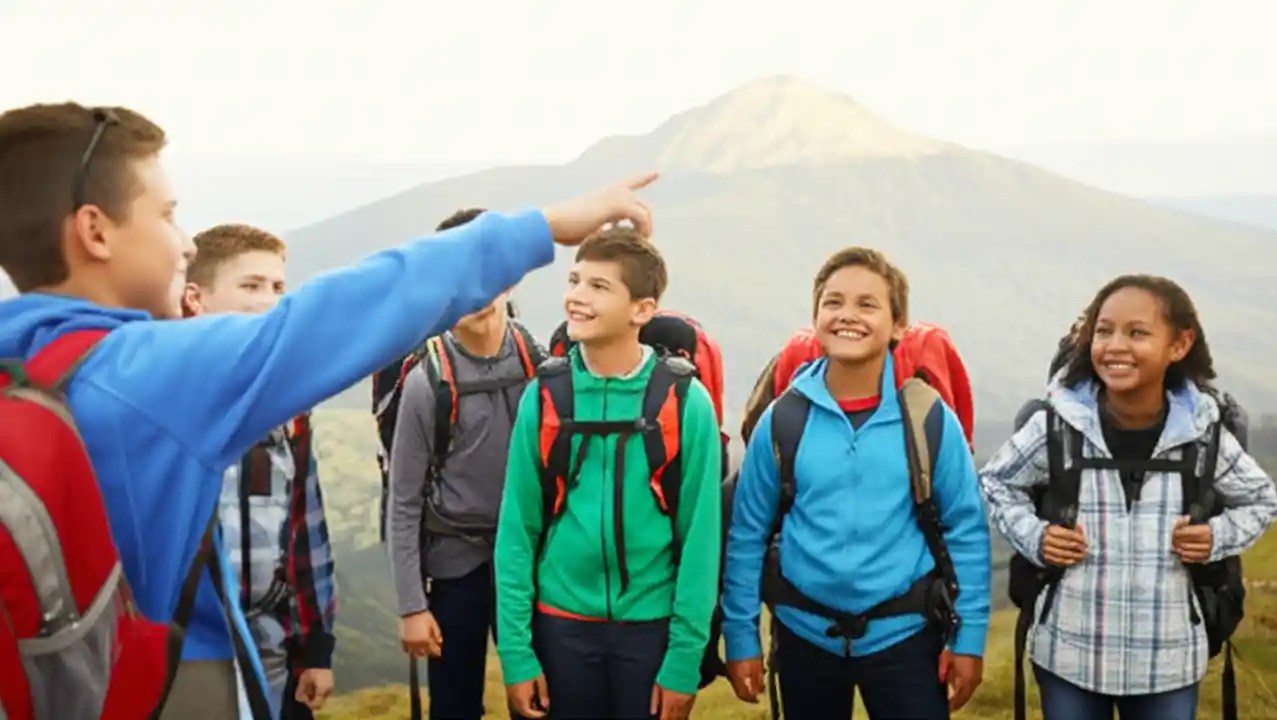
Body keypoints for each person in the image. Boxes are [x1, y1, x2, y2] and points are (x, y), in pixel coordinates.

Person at [0, 100, 658, 719]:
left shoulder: (21, 368)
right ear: (95, 231)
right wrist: (539, 228)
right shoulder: (144, 376)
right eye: (168, 214)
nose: (186, 243)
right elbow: (335, 316)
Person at [980, 274, 1277, 720]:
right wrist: (1036, 537)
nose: (1115, 346)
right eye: (1103, 331)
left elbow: (1261, 501)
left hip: (1169, 660)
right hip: (1068, 654)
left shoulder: (1203, 434)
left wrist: (1215, 537)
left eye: (1137, 332)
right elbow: (996, 482)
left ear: (1179, 344)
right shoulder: (1058, 427)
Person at [720, 247, 990, 720]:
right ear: (815, 317)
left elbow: (965, 530)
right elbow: (746, 535)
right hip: (804, 634)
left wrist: (968, 638)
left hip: (908, 634)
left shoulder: (928, 419)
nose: (848, 315)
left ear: (898, 326)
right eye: (834, 302)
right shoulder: (783, 420)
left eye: (868, 304)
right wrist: (741, 637)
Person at [493, 226, 723, 720]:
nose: (577, 296)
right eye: (574, 280)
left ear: (642, 309)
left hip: (651, 628)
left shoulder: (684, 402)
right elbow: (517, 530)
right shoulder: (546, 396)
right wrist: (516, 653)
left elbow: (700, 541)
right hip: (559, 626)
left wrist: (684, 662)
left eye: (599, 286)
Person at [387, 209, 547, 720]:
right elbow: (404, 500)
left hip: (530, 559)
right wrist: (412, 606)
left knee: (541, 700)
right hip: (455, 566)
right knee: (454, 706)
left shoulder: (540, 365)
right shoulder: (427, 382)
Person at [181, 223, 338, 719]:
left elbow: (305, 528)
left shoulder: (288, 406)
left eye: (277, 286)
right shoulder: (170, 397)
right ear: (195, 298)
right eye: (250, 285)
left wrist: (316, 649)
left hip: (271, 641)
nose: (269, 300)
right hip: (188, 646)